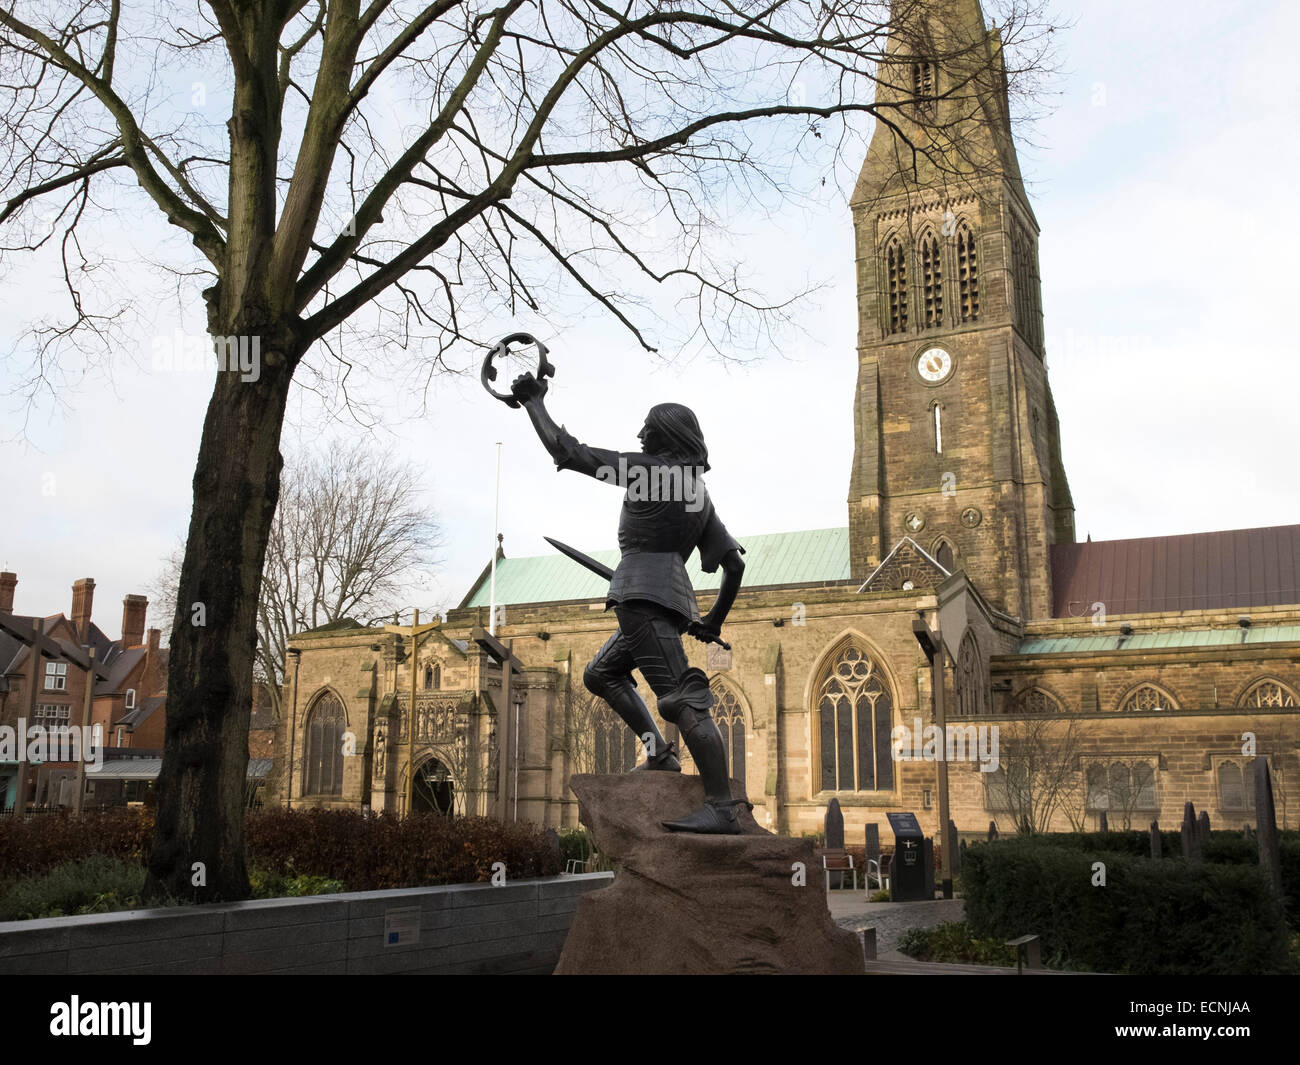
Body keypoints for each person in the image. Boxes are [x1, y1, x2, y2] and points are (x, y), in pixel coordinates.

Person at [510, 370, 750, 834]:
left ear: (666, 435)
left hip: (643, 595)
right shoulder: (698, 494)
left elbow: (568, 452)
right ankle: (659, 751)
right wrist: (713, 621)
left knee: (684, 698)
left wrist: (533, 402)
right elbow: (734, 567)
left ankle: (721, 807)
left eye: (648, 429)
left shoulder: (648, 470)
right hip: (663, 597)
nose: (640, 435)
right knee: (600, 674)